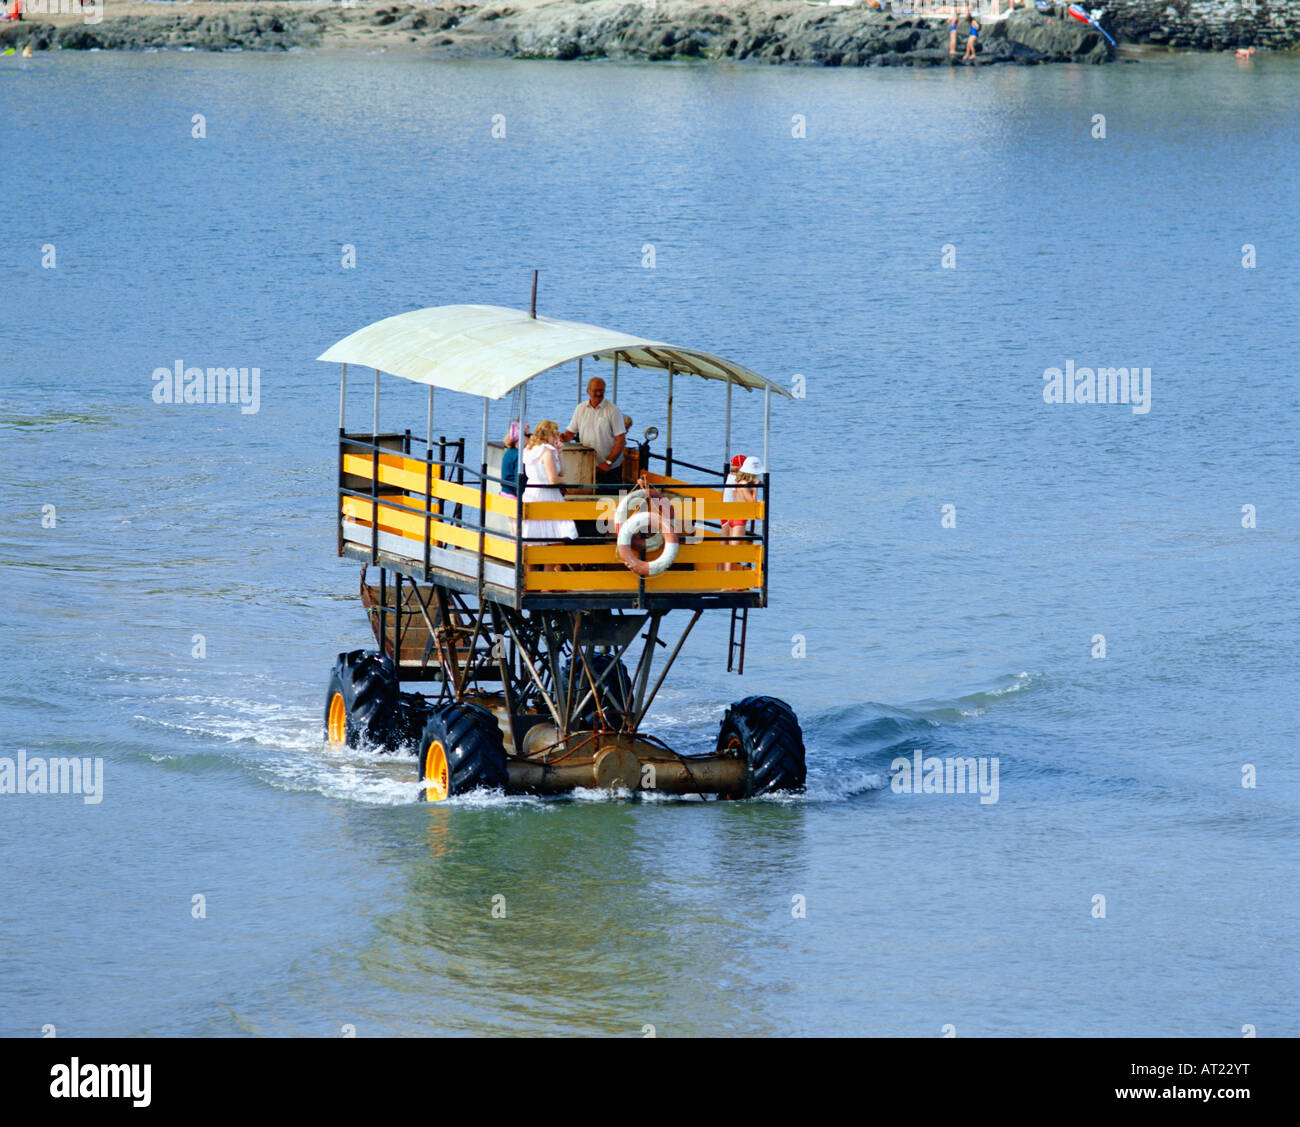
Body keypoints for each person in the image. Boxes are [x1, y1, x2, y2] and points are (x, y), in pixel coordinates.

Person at [521, 420, 577, 571]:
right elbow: (554, 478)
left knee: (534, 537)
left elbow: (561, 470)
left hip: (531, 493)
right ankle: (546, 580)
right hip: (547, 495)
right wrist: (564, 482)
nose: (557, 438)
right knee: (555, 537)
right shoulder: (547, 451)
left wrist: (560, 453)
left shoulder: (530, 449)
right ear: (549, 435)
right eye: (555, 434)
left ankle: (529, 578)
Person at [560, 377, 626, 488]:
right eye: (596, 390)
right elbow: (570, 433)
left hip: (610, 467)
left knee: (610, 501)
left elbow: (621, 440)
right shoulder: (580, 409)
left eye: (602, 390)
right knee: (589, 497)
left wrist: (608, 463)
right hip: (588, 465)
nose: (599, 393)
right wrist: (562, 437)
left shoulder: (613, 410)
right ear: (588, 391)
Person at [722, 456, 761, 574]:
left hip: (734, 517)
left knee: (732, 549)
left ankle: (727, 579)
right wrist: (755, 489)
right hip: (740, 519)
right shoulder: (744, 485)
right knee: (734, 551)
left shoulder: (738, 482)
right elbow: (752, 503)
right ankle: (728, 583)